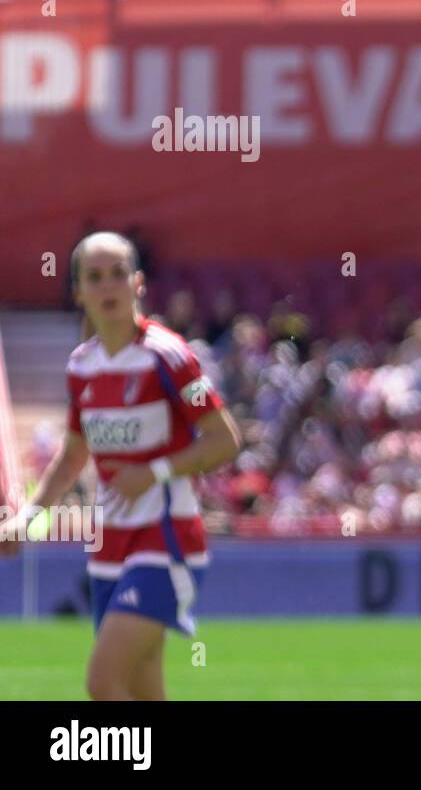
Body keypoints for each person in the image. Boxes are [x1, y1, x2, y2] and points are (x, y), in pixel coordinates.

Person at [0, 232, 241, 700]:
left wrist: (155, 472)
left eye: (117, 275)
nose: (107, 286)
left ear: (138, 283)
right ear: (78, 292)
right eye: (94, 277)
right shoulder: (81, 367)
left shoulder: (170, 356)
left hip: (167, 538)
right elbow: (73, 456)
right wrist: (27, 519)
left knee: (103, 681)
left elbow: (224, 439)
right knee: (141, 688)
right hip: (110, 545)